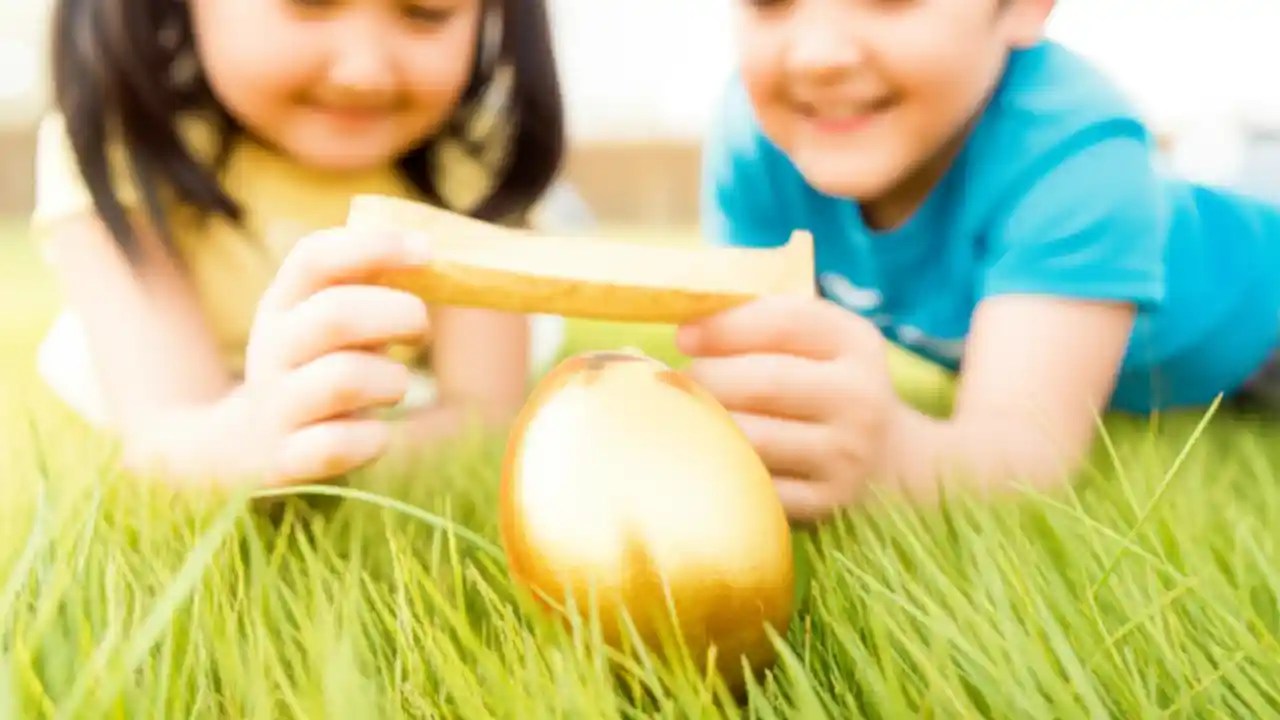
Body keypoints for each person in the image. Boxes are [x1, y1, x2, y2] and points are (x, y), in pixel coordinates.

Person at [677, 0, 1280, 521]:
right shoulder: (755, 141)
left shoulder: (1076, 146)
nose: (816, 55)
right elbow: (761, 375)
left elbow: (1026, 456)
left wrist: (892, 458)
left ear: (1021, 6)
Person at [31, 0, 565, 489]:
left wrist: (332, 458)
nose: (364, 71)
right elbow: (164, 437)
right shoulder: (119, 151)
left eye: (427, 12)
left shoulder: (472, 158)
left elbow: (483, 415)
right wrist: (252, 445)